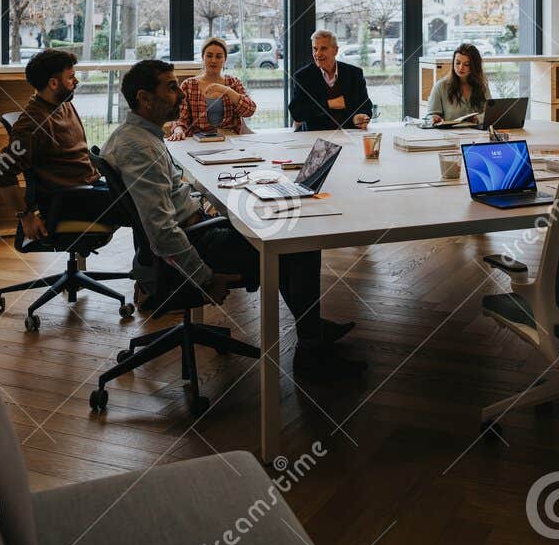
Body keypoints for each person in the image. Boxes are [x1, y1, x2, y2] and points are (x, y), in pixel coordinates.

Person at [102, 59, 364, 380]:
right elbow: (161, 231)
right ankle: (311, 350)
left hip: (200, 229)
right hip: (201, 245)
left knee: (281, 220)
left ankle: (311, 328)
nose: (180, 95)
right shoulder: (139, 148)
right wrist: (204, 278)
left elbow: (164, 213)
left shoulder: (135, 136)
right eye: (170, 88)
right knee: (300, 240)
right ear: (144, 98)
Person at [0, 48, 127, 241]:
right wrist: (26, 217)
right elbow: (0, 172)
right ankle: (152, 258)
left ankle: (152, 257)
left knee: (144, 194)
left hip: (89, 188)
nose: (76, 81)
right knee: (143, 203)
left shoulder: (62, 103)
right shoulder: (33, 124)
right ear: (53, 83)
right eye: (71, 77)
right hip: (70, 201)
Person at [168, 37, 257, 140]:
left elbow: (250, 110)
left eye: (218, 56)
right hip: (199, 141)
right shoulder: (188, 85)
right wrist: (178, 130)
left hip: (230, 140)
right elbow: (180, 118)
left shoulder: (234, 83)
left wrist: (227, 90)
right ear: (203, 57)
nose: (213, 60)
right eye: (209, 56)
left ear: (225, 59)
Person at [288, 29, 375, 130]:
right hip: (316, 134)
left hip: (349, 133)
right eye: (315, 49)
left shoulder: (354, 74)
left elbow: (365, 106)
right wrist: (329, 104)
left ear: (335, 50)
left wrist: (360, 116)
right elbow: (297, 113)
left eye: (323, 48)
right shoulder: (303, 77)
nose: (317, 54)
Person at [426, 43, 489, 123]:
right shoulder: (440, 87)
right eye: (457, 63)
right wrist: (434, 118)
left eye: (466, 64)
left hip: (477, 131)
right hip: (450, 131)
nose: (460, 68)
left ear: (475, 66)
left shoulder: (482, 85)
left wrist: (478, 119)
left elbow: (490, 113)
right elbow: (430, 116)